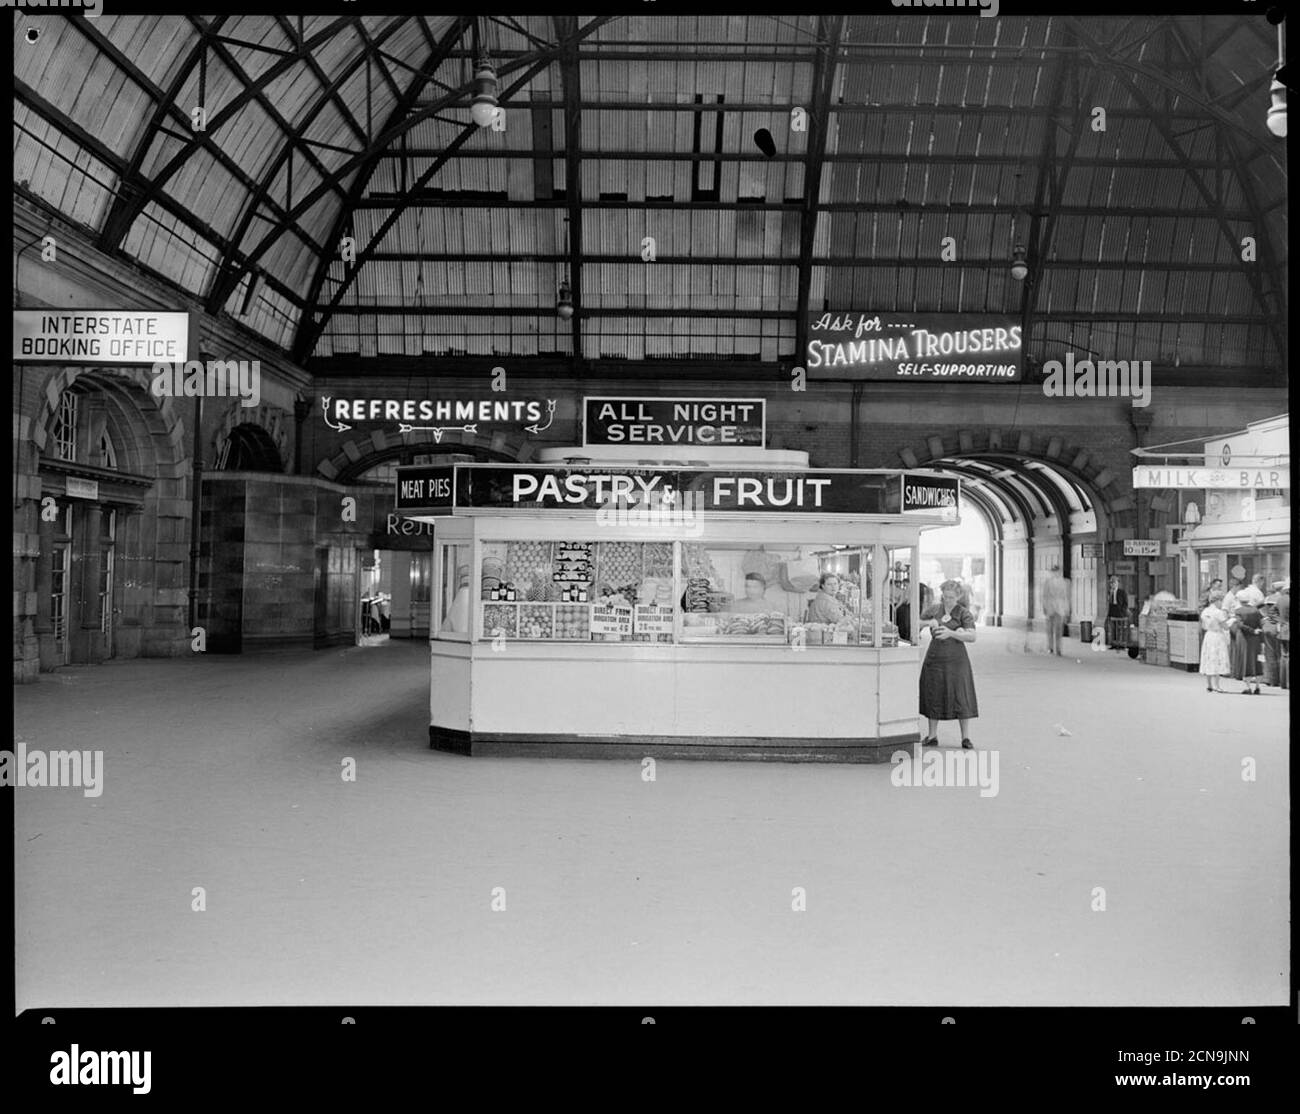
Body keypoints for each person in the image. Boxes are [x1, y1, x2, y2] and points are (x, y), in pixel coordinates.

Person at [918, 579, 980, 750]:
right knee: (933, 693)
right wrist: (926, 623)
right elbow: (914, 623)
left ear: (958, 596)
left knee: (961, 695)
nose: (948, 600)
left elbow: (972, 636)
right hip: (935, 657)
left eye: (951, 597)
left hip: (957, 660)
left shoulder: (963, 613)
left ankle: (965, 737)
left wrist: (952, 633)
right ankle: (932, 735)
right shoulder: (934, 609)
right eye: (945, 597)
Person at [1198, 588, 1233, 693]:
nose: (1222, 603)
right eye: (1221, 600)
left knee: (1209, 658)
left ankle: (1209, 684)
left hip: (1208, 635)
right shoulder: (1218, 613)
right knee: (1217, 659)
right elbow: (1225, 626)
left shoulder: (1205, 611)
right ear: (1217, 600)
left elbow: (1204, 625)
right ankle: (1217, 685)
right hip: (1217, 636)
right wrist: (1231, 621)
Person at [1231, 593, 1265, 695]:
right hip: (1256, 640)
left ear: (1240, 601)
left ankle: (1248, 687)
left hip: (1244, 639)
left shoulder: (1238, 611)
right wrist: (1260, 637)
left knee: (1246, 662)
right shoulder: (1255, 610)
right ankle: (1258, 686)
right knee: (1257, 662)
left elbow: (1240, 625)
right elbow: (1261, 624)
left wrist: (1251, 630)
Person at [1039, 562, 1071, 655]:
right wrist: (1044, 607)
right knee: (1049, 629)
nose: (1055, 573)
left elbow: (1066, 597)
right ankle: (1050, 647)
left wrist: (1067, 609)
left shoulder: (1065, 582)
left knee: (1058, 629)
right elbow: (1044, 595)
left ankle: (1058, 648)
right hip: (1050, 607)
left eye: (1056, 571)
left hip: (1060, 608)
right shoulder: (1048, 582)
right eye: (1053, 571)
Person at [1105, 575, 1129, 649]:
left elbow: (1125, 603)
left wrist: (1123, 611)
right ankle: (1114, 644)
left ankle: (1121, 644)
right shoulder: (1110, 592)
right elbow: (1109, 604)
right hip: (1113, 612)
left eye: (1114, 583)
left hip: (1120, 612)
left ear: (1117, 583)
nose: (1112, 584)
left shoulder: (1122, 592)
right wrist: (1108, 614)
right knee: (1113, 629)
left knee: (1120, 629)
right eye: (1111, 583)